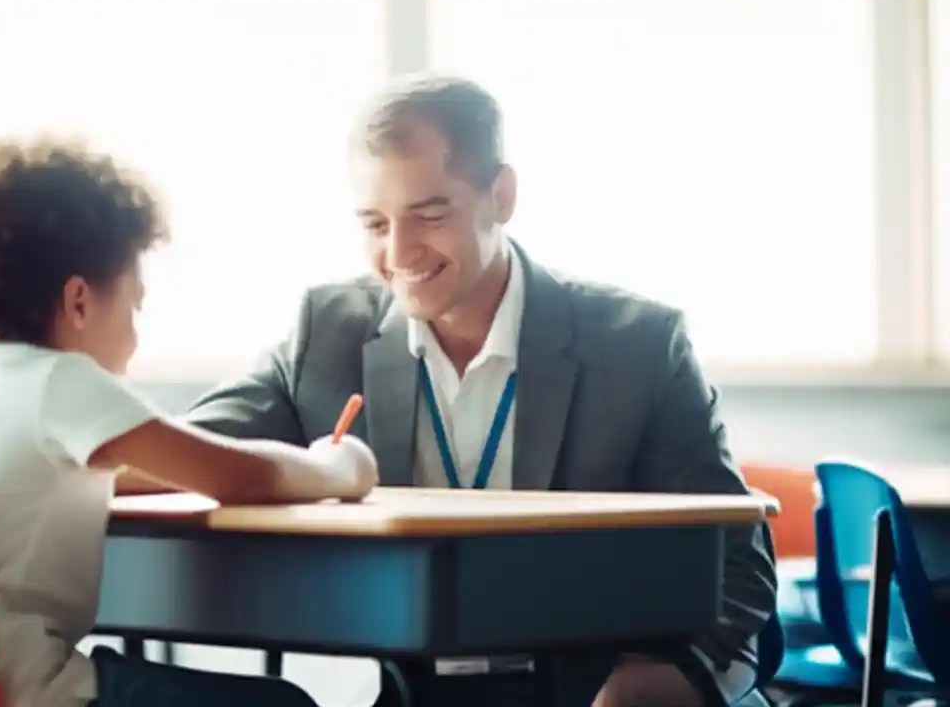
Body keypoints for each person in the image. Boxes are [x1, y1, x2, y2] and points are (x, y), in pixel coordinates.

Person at [187, 75, 777, 706]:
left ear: (502, 195)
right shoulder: (327, 333)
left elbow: (736, 567)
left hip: (584, 688)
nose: (398, 252)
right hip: (399, 689)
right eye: (374, 223)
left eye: (429, 215)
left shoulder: (638, 344)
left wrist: (658, 677)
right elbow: (177, 447)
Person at [0, 137, 377, 707]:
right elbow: (238, 476)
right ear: (79, 301)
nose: (136, 332)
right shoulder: (63, 381)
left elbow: (115, 476)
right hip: (19, 689)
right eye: (134, 305)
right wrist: (338, 465)